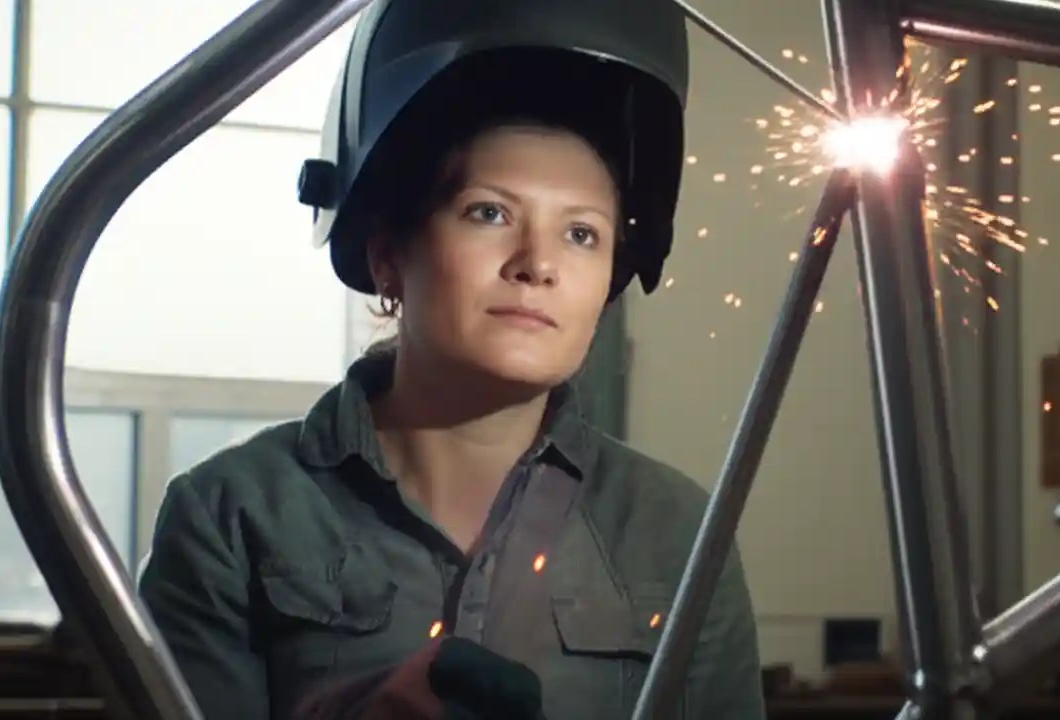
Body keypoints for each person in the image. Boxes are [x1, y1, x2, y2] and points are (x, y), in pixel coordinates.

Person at [137, 0, 766, 718]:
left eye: (582, 234)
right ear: (387, 258)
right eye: (488, 213)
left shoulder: (676, 531)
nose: (538, 264)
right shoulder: (233, 518)